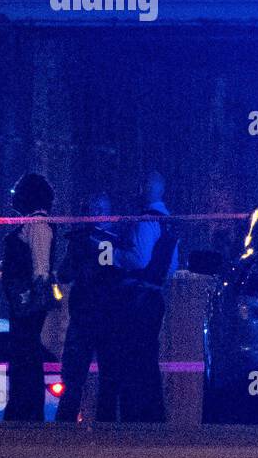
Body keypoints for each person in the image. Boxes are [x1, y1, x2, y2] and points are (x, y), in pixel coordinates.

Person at [109, 171, 178, 422]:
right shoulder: (168, 220)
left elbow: (139, 258)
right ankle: (152, 413)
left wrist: (115, 255)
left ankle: (137, 415)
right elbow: (171, 265)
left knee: (134, 356)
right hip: (155, 295)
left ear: (144, 188)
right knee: (148, 356)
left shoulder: (145, 220)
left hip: (138, 296)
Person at [54, 193, 122, 422]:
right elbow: (65, 272)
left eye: (98, 210)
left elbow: (103, 271)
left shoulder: (105, 240)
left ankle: (99, 424)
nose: (93, 215)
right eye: (91, 210)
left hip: (100, 314)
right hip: (91, 314)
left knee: (102, 375)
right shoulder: (85, 239)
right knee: (76, 375)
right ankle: (71, 421)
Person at [1, 172, 56, 422]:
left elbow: (41, 269)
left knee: (26, 354)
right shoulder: (32, 224)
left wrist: (31, 299)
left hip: (27, 303)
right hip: (24, 301)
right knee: (24, 354)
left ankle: (27, 409)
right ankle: (24, 408)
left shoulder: (38, 225)